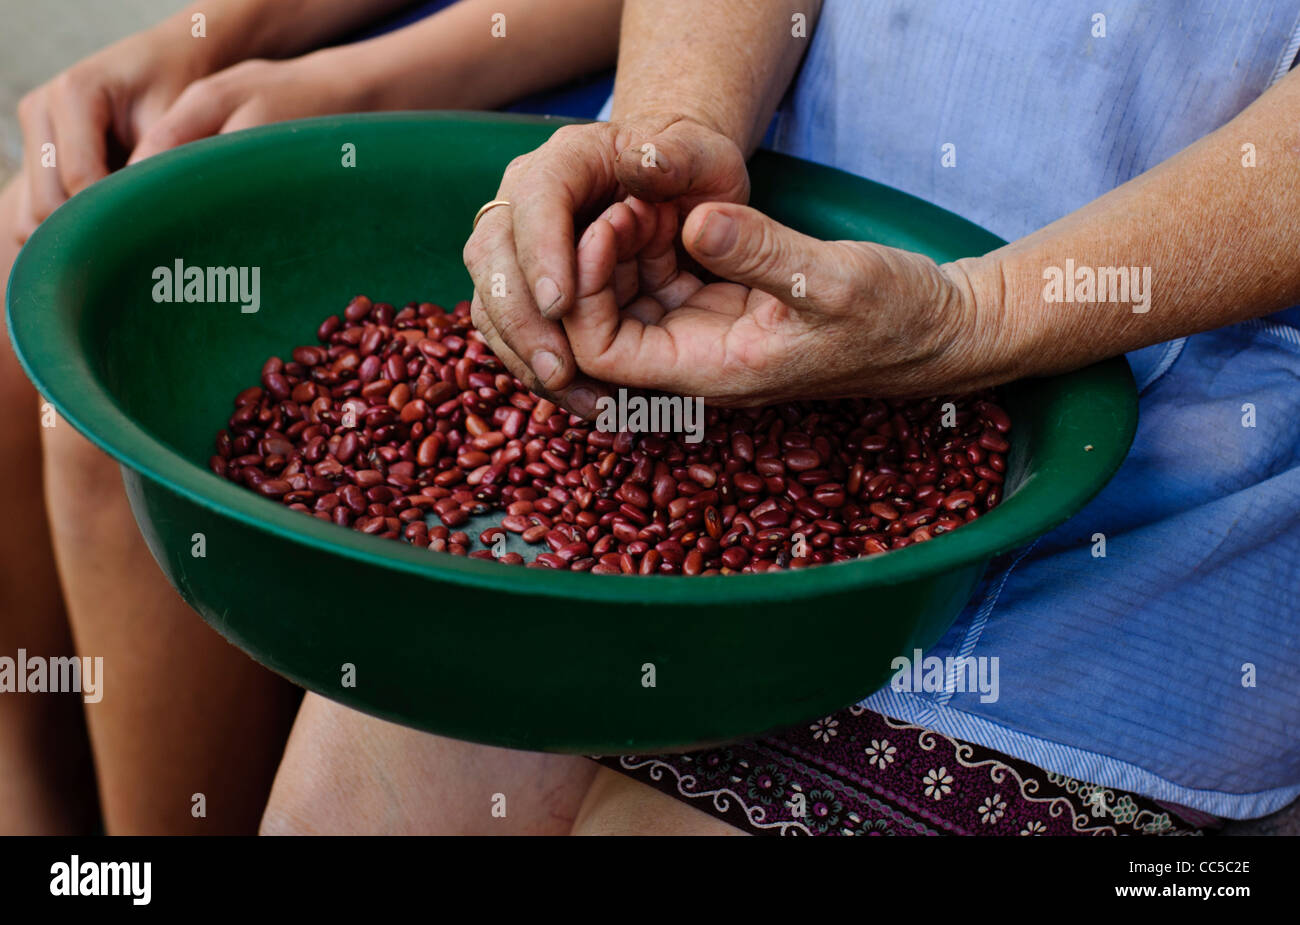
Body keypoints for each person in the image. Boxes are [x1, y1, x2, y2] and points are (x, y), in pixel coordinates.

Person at [261, 0, 1300, 834]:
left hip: (1169, 509)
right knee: (343, 801)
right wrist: (667, 140)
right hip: (737, 358)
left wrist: (977, 316)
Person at [0, 0, 620, 834]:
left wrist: (357, 84)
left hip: (562, 79)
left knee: (107, 425)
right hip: (367, 47)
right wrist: (207, 40)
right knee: (15, 301)